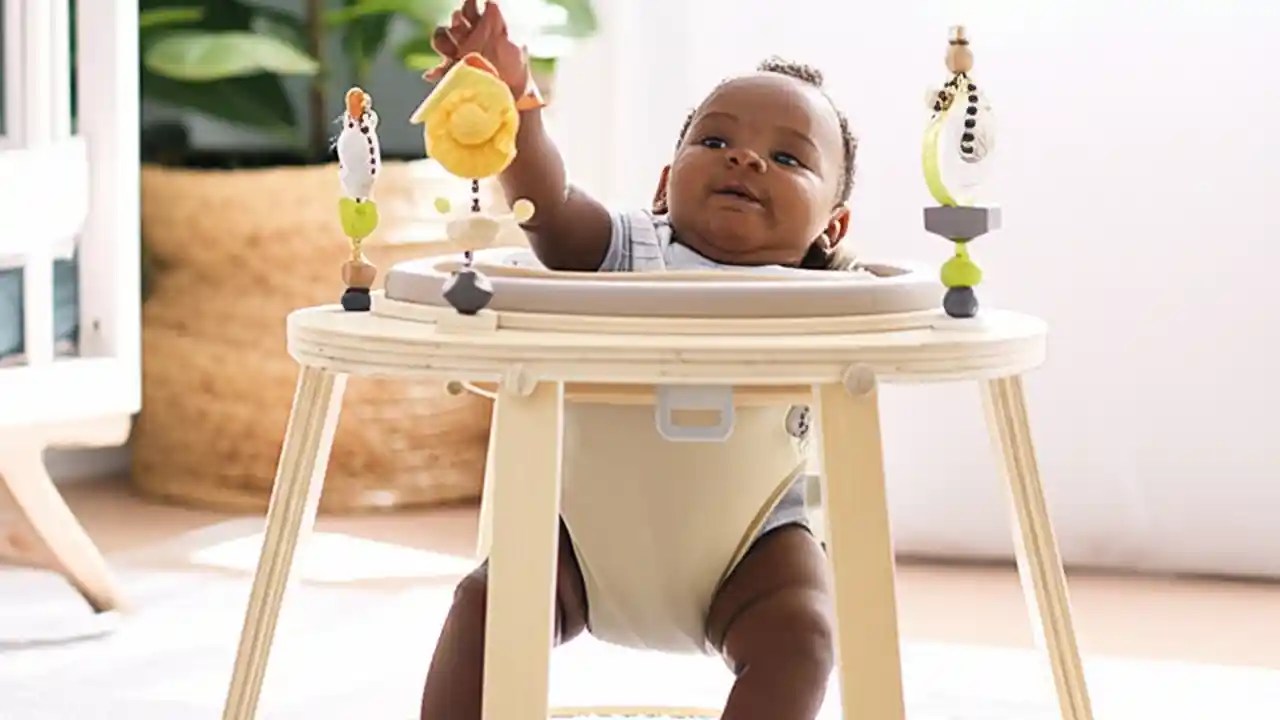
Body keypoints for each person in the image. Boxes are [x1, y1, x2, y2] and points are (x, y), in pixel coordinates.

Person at [419, 2, 860, 718]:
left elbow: (891, 323)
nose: (744, 159)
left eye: (787, 158)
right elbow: (549, 203)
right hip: (584, 534)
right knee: (487, 604)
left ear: (831, 226)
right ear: (662, 186)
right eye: (715, 141)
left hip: (751, 545)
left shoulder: (824, 295)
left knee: (805, 635)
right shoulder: (628, 252)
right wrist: (519, 110)